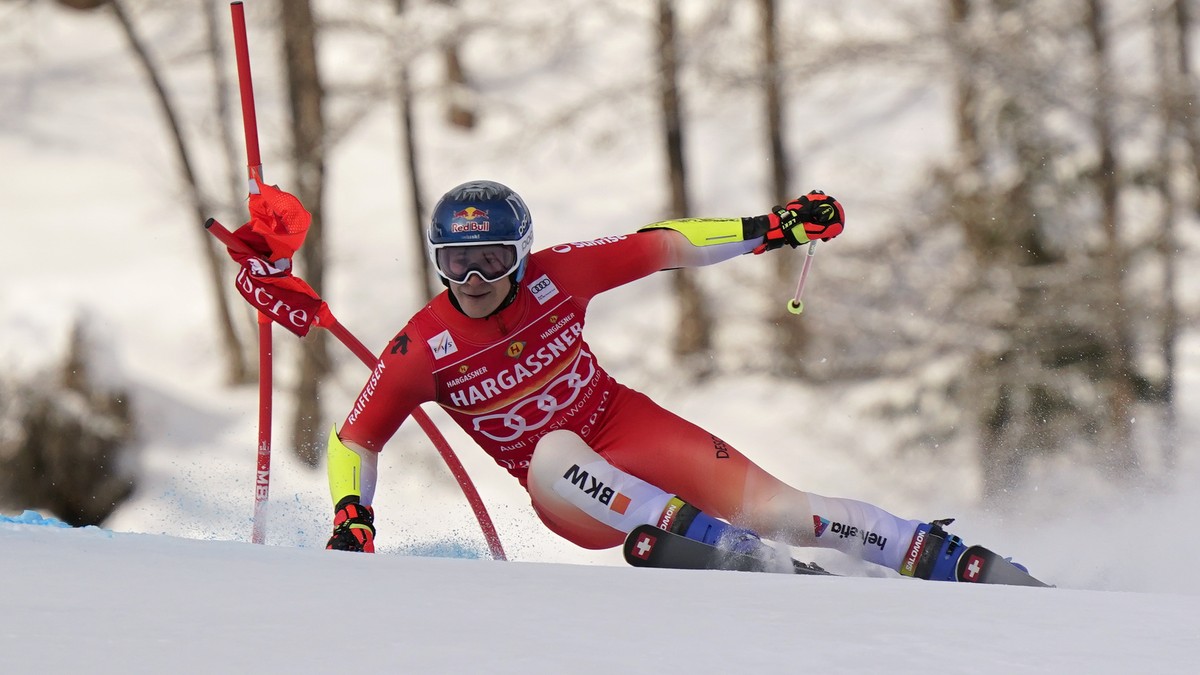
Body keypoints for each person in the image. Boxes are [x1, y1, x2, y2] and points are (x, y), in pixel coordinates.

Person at [323, 179, 1013, 582]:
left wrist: (773, 228)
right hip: (572, 496)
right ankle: (712, 542)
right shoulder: (422, 347)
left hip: (628, 428)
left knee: (785, 509)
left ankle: (945, 557)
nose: (474, 279)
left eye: (492, 259)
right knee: (553, 450)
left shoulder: (559, 274)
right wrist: (353, 516)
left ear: (522, 255)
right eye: (457, 262)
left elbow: (667, 243)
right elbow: (355, 438)